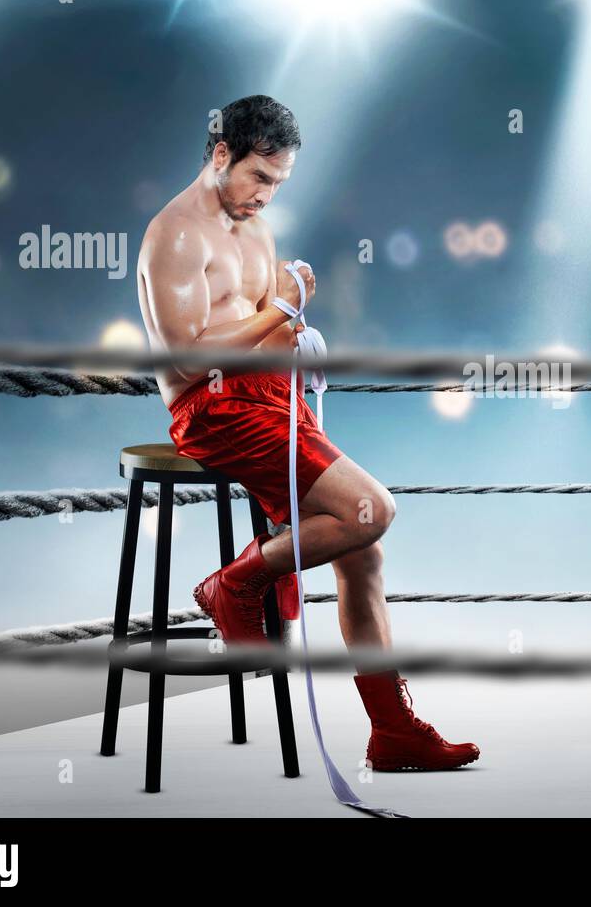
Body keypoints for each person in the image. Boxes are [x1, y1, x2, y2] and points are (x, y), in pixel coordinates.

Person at [135, 95, 478, 772]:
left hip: (271, 396)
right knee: (371, 510)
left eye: (280, 183)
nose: (267, 194)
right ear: (221, 153)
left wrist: (294, 329)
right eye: (260, 177)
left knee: (364, 553)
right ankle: (234, 583)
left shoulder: (256, 228)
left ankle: (393, 730)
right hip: (215, 411)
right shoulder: (175, 235)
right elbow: (192, 357)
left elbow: (263, 325)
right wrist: (282, 311)